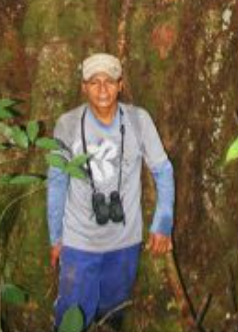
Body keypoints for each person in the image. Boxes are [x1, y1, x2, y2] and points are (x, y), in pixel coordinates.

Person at [47, 52, 175, 331]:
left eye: (109, 81)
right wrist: (56, 237)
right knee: (71, 318)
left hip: (124, 243)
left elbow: (163, 170)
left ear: (120, 85)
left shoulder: (138, 120)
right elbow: (57, 182)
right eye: (94, 82)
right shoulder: (68, 124)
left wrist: (162, 223)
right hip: (79, 243)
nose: (102, 89)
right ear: (84, 87)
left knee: (112, 314)